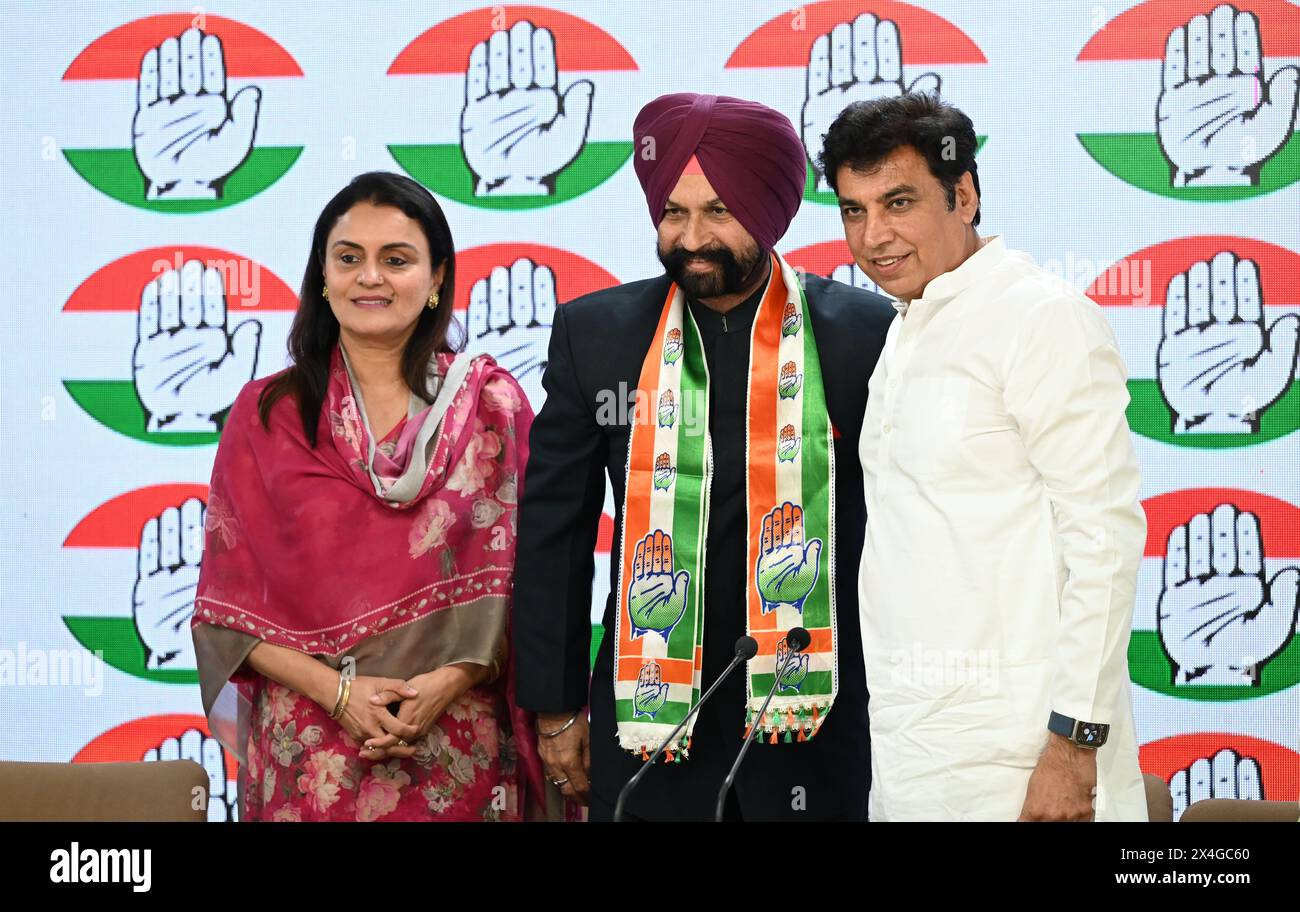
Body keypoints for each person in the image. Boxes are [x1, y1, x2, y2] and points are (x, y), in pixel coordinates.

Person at [513, 93, 895, 821]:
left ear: (770, 210)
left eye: (719, 212)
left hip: (823, 720)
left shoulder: (866, 337)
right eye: (672, 213)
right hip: (647, 719)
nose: (691, 237)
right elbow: (553, 537)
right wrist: (555, 707)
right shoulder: (596, 336)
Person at [819, 93, 1148, 821]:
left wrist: (1074, 742)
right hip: (913, 748)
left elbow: (1105, 539)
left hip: (1029, 755)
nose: (874, 236)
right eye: (852, 210)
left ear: (963, 194)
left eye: (898, 201)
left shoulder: (1041, 317)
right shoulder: (906, 327)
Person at [191, 171, 544, 821]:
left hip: (455, 744)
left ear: (438, 278)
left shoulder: (493, 407)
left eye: (397, 259)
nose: (371, 277)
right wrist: (340, 692)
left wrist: (448, 682)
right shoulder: (270, 414)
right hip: (313, 745)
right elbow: (225, 613)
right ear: (322, 278)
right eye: (349, 258)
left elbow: (535, 586)